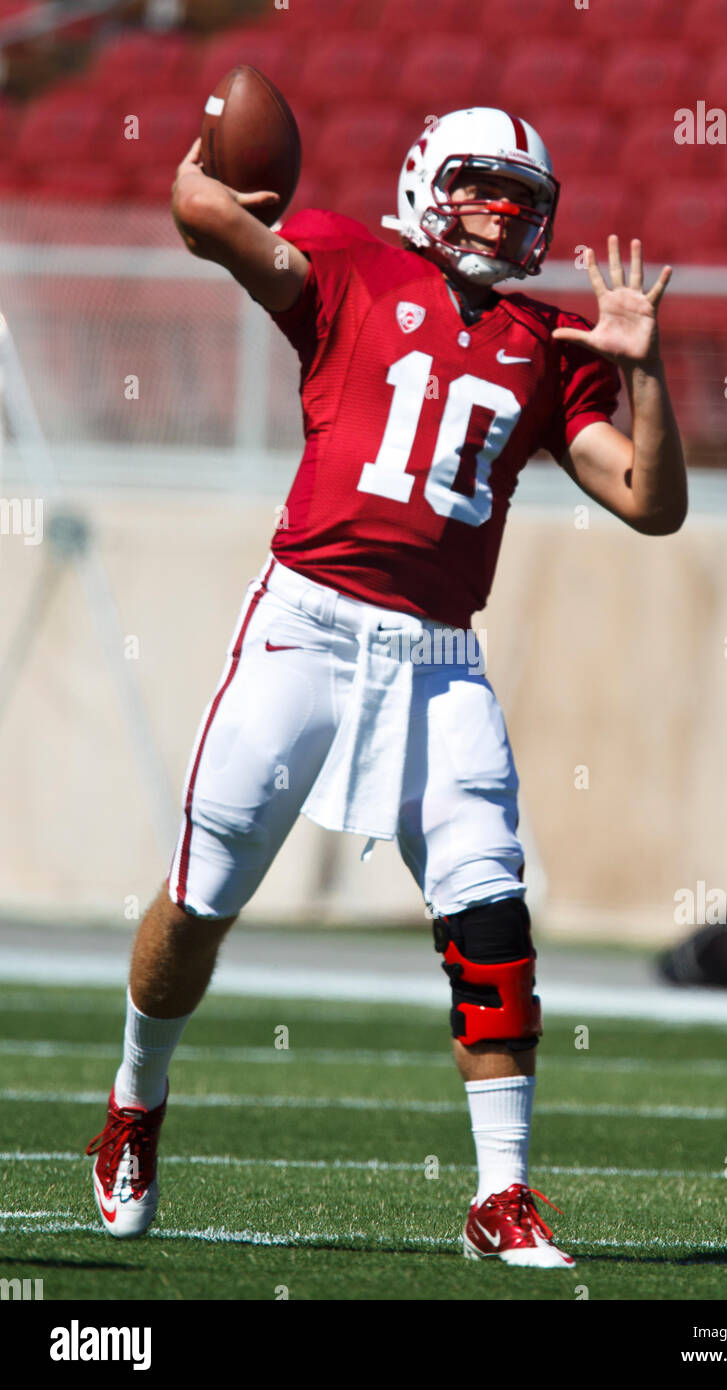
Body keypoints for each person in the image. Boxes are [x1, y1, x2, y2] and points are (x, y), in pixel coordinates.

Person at [85, 107, 686, 1267]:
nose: (501, 213)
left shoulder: (546, 342)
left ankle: (497, 1195)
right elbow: (206, 218)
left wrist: (645, 374)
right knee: (200, 899)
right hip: (304, 626)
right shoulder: (346, 263)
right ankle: (135, 1101)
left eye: (521, 197)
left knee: (490, 914)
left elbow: (649, 503)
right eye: (478, 188)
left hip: (439, 660)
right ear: (421, 180)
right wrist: (215, 163)